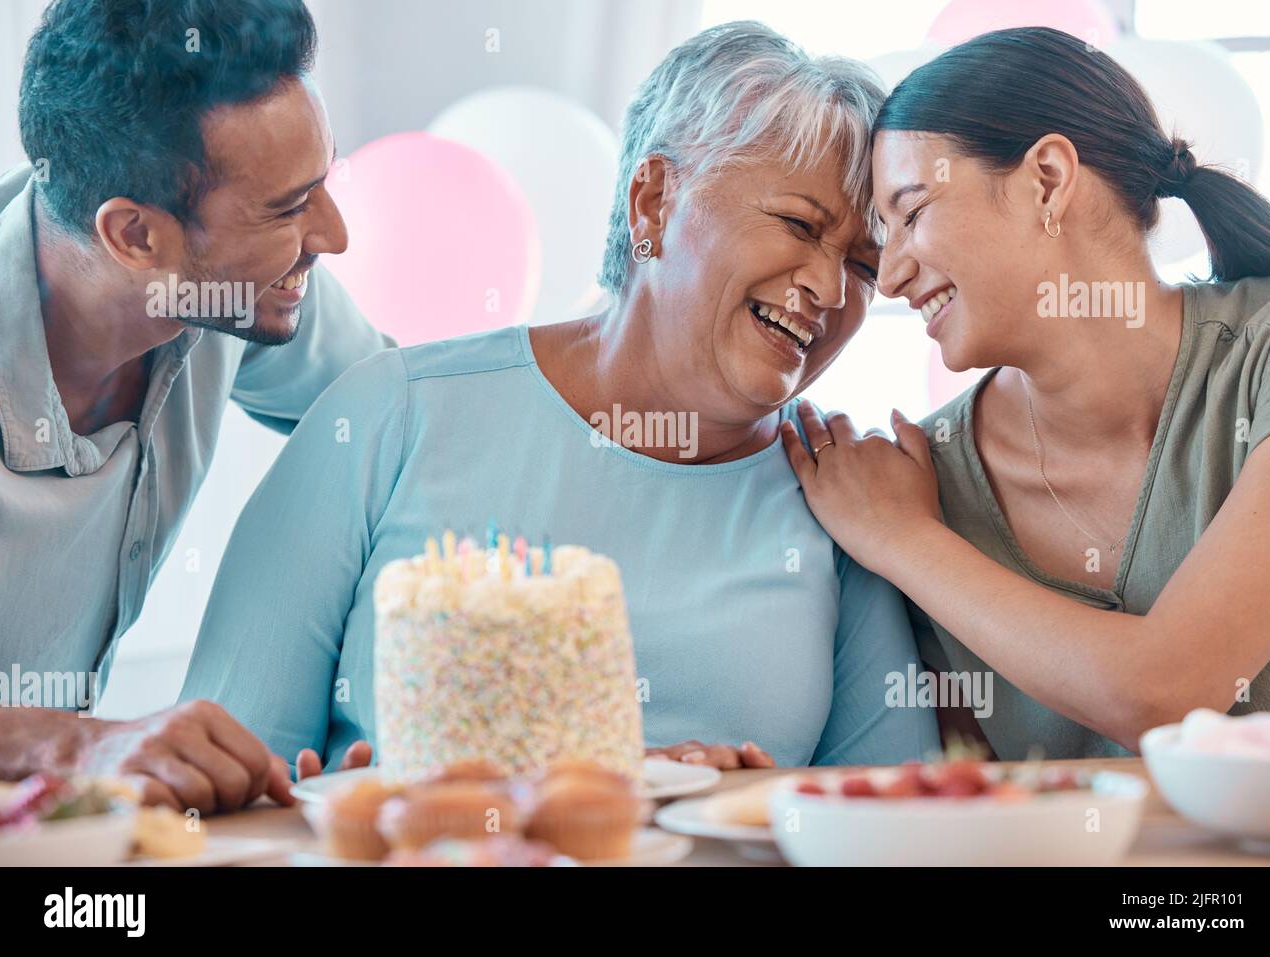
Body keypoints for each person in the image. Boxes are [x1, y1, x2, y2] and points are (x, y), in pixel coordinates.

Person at [180, 21, 939, 771]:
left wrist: (766, 812)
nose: (830, 287)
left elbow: (896, 828)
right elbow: (216, 797)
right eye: (800, 225)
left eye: (864, 266)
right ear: (653, 203)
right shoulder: (390, 415)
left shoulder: (842, 499)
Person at [785, 27, 1270, 759]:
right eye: (881, 237)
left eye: (913, 210)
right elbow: (970, 800)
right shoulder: (923, 479)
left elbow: (1169, 689)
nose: (889, 275)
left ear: (1048, 179)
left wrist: (906, 541)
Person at [0, 0, 391, 809]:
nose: (335, 234)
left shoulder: (229, 292)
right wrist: (73, 742)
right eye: (288, 207)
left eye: (321, 186)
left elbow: (415, 424)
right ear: (136, 237)